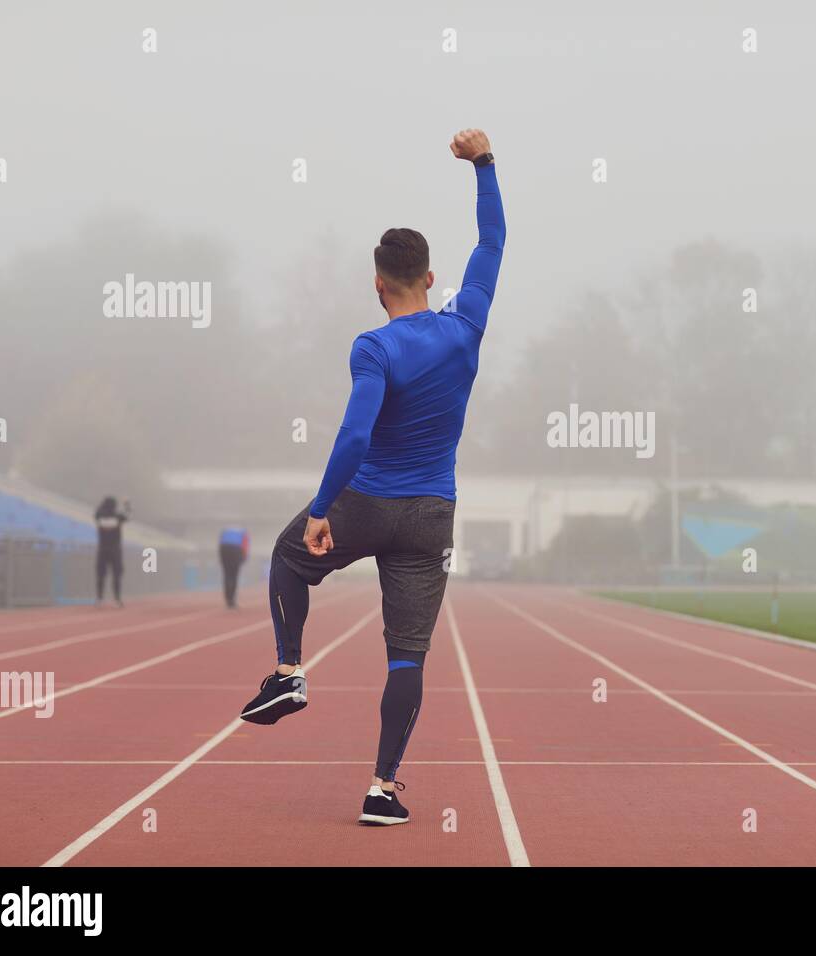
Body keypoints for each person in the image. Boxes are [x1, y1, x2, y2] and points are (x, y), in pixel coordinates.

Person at [239, 129, 505, 828]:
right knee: (406, 654)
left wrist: (324, 507)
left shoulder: (373, 347)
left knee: (289, 556)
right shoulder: (466, 326)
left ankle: (290, 672)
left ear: (379, 286)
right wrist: (484, 163)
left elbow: (356, 434)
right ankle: (382, 788)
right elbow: (494, 243)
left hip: (368, 500)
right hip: (430, 515)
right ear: (429, 277)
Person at [93, 496, 130, 607]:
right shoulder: (118, 517)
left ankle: (99, 598)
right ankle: (117, 599)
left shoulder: (99, 516)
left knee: (100, 575)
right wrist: (126, 504)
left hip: (102, 549)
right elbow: (127, 516)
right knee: (116, 575)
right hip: (115, 550)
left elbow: (96, 513)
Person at [218, 526, 250, 608]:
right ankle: (231, 600)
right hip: (236, 549)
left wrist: (221, 558)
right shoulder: (243, 532)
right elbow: (245, 545)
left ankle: (228, 599)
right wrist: (244, 558)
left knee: (227, 575)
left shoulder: (225, 531)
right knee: (234, 575)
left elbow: (220, 543)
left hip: (224, 549)